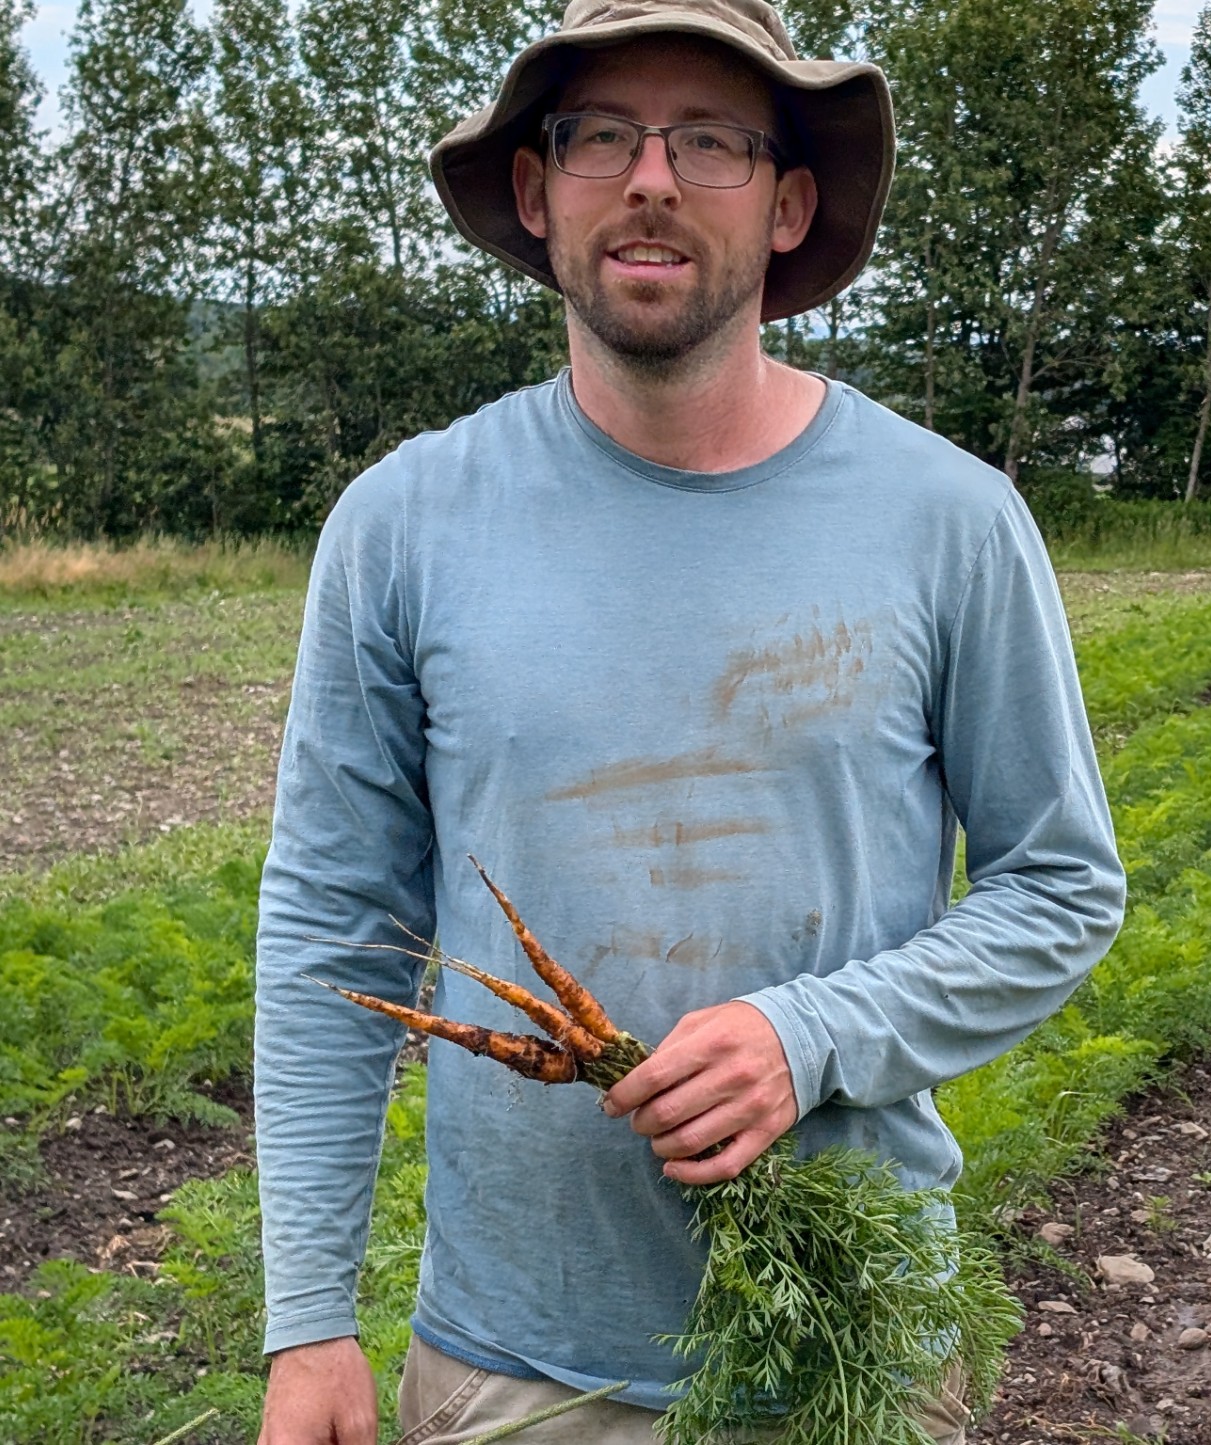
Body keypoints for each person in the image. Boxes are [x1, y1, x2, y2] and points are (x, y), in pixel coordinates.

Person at [250, 0, 1126, 1441]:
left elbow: (1061, 886)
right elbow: (331, 924)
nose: (652, 180)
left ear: (789, 206)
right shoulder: (403, 524)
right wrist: (308, 1322)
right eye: (601, 136)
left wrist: (811, 1035)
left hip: (854, 1353)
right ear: (537, 191)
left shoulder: (951, 521)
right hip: (518, 1374)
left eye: (711, 141)